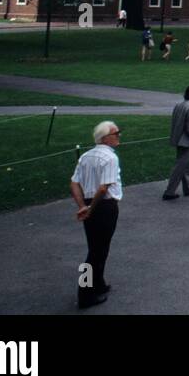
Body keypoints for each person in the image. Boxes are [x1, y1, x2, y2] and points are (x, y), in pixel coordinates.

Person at [69, 121, 123, 310]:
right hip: (104, 207)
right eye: (116, 133)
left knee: (97, 248)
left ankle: (98, 283)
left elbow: (74, 183)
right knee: (96, 252)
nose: (119, 136)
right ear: (105, 138)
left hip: (90, 206)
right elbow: (104, 187)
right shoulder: (109, 158)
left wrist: (83, 206)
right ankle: (85, 294)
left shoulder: (85, 156)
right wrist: (90, 208)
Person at [162, 85, 189, 200]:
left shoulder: (179, 105)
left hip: (178, 139)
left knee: (188, 164)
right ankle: (169, 191)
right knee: (180, 166)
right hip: (187, 141)